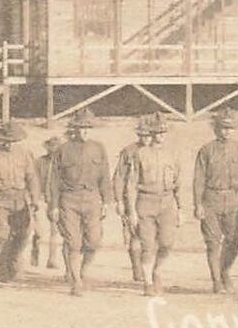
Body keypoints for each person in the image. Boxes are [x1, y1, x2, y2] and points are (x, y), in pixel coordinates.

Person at [46, 108, 111, 296]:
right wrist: (54, 206)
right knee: (73, 242)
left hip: (92, 199)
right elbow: (53, 180)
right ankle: (76, 281)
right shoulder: (63, 150)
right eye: (81, 128)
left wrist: (106, 201)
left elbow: (105, 176)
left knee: (94, 241)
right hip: (69, 200)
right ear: (74, 129)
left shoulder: (98, 148)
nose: (84, 132)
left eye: (87, 128)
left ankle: (82, 271)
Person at [194, 108, 238, 293]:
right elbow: (198, 179)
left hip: (233, 199)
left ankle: (224, 270)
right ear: (215, 129)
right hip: (211, 199)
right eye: (223, 127)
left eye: (230, 128)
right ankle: (216, 282)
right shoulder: (206, 150)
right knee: (213, 243)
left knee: (235, 238)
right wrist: (198, 204)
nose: (227, 131)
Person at [126, 114, 183, 296]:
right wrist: (132, 212)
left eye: (163, 132)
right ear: (151, 133)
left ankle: (157, 271)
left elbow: (178, 183)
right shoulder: (140, 154)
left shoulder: (172, 154)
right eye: (157, 132)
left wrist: (180, 208)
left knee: (167, 243)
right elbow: (131, 184)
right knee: (147, 245)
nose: (160, 136)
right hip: (146, 202)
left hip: (167, 203)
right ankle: (148, 283)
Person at [0, 120, 40, 282]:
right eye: (7, 141)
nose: (10, 144)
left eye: (14, 141)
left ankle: (14, 262)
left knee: (22, 235)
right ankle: (3, 269)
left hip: (20, 199)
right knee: (2, 236)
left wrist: (35, 198)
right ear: (1, 139)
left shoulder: (25, 154)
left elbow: (32, 178)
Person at [112, 115, 149, 283]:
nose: (146, 138)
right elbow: (119, 177)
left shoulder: (158, 151)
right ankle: (137, 268)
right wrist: (119, 201)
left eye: (149, 135)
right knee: (134, 234)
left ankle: (148, 267)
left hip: (152, 198)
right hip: (132, 198)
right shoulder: (129, 151)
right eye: (143, 134)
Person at [31, 136, 62, 269]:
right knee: (40, 231)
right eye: (51, 147)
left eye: (56, 148)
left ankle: (52, 259)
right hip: (41, 199)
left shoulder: (64, 165)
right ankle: (35, 250)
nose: (53, 150)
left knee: (55, 230)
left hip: (56, 200)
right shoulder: (39, 162)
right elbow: (33, 181)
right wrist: (35, 198)